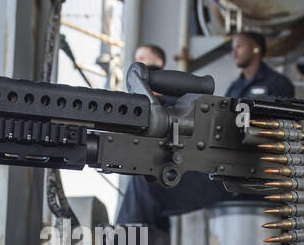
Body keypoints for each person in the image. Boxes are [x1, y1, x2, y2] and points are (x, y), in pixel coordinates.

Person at [115, 30, 294, 225]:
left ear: (256, 49)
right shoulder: (235, 87)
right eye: (233, 47)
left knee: (149, 184)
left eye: (239, 46)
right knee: (151, 177)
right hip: (221, 168)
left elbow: (278, 131)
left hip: (245, 175)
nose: (234, 52)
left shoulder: (278, 84)